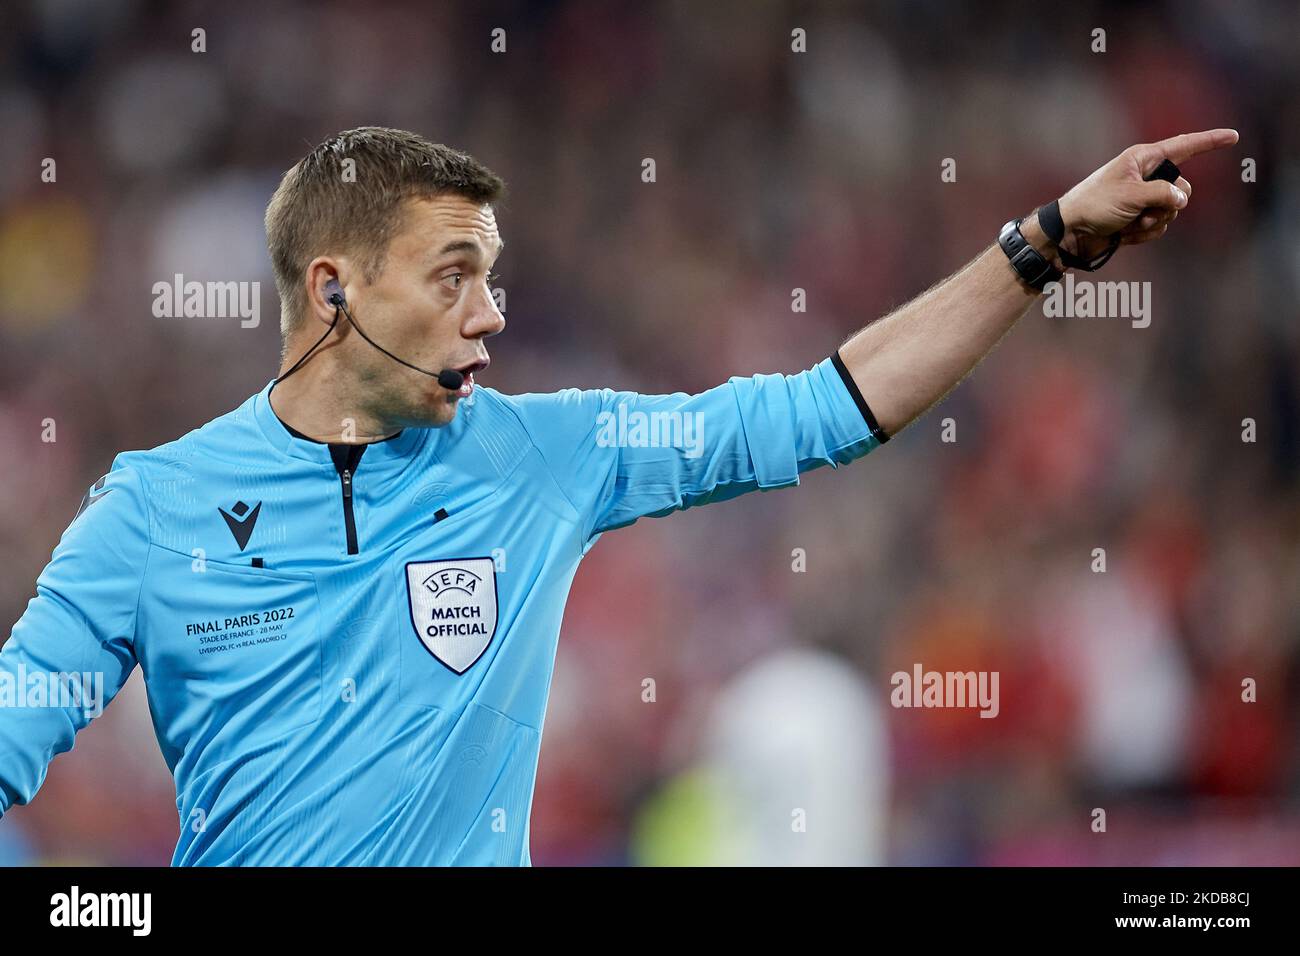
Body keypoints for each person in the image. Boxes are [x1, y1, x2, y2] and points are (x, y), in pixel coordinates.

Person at [0, 125, 1237, 865]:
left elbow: (821, 409)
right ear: (333, 292)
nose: (492, 313)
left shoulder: (545, 452)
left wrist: (1045, 245)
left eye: (494, 275)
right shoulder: (153, 510)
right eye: (453, 276)